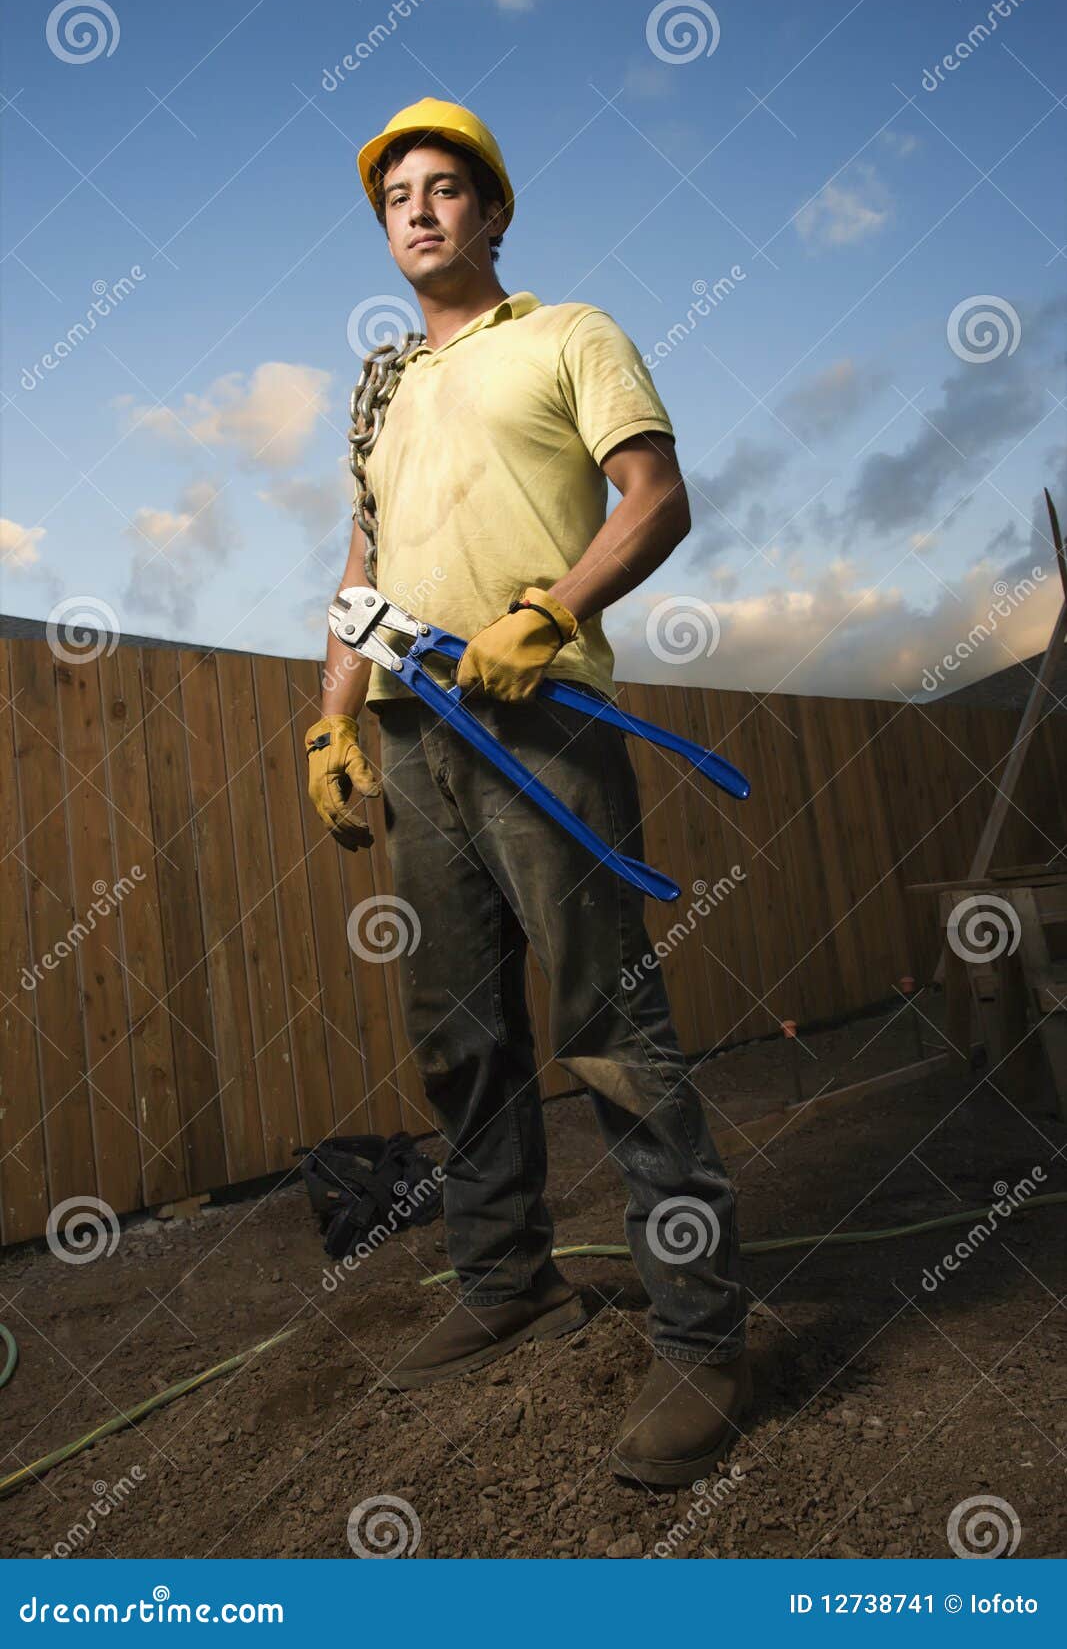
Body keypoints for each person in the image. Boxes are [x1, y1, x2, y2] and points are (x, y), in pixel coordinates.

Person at [305, 98, 750, 1485]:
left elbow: (656, 495)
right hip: (413, 732)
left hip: (538, 720)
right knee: (458, 1028)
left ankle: (703, 1335)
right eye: (400, 197)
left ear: (493, 214)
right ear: (387, 231)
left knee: (608, 1021)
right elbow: (360, 569)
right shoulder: (378, 389)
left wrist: (548, 616)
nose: (422, 210)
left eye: (448, 189)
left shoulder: (571, 335)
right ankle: (507, 1277)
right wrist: (329, 723)